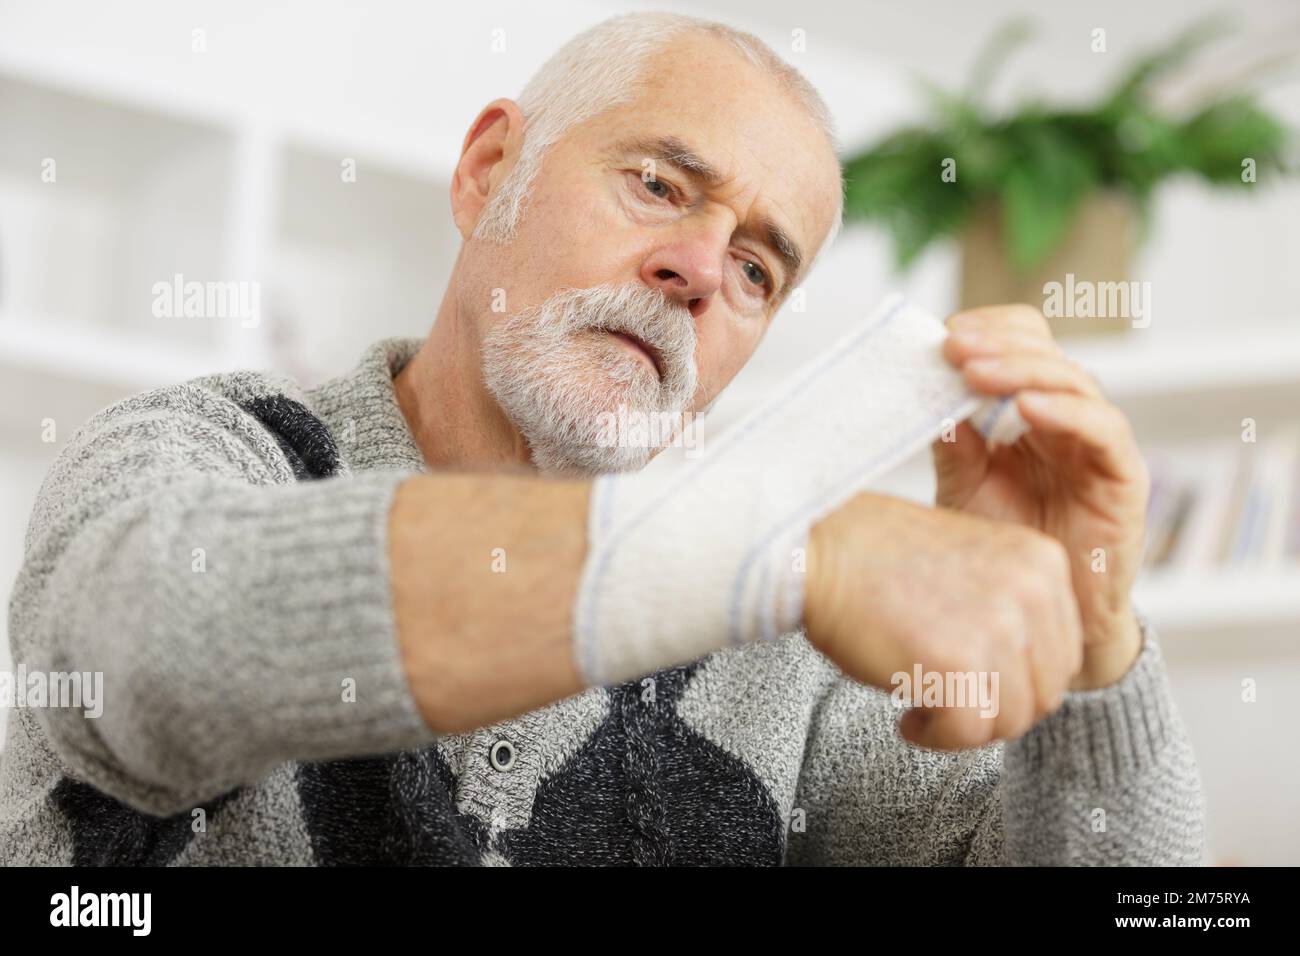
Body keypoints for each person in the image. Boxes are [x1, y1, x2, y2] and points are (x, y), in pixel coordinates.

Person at [1, 12, 1204, 865]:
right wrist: (776, 556)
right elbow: (144, 643)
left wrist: (1092, 638)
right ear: (489, 173)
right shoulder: (212, 448)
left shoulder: (796, 661)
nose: (695, 270)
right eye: (659, 186)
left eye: (754, 266)